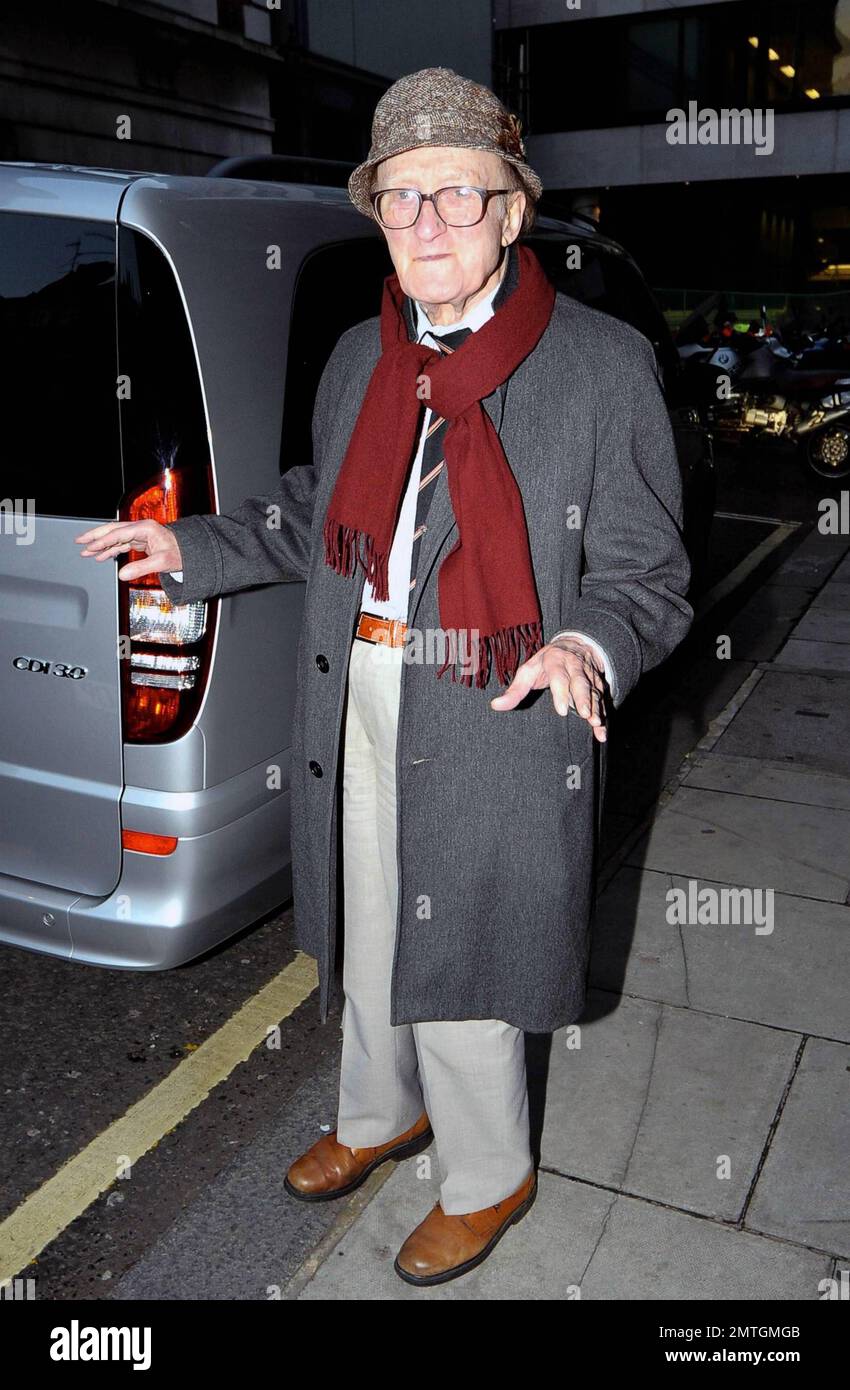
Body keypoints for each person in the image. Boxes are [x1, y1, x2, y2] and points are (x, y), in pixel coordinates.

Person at [76, 67, 692, 1287]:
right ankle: (376, 1116)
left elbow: (649, 574)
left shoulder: (601, 367)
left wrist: (588, 643)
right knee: (364, 925)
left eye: (455, 198)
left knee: (465, 958)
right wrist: (187, 545)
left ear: (513, 212)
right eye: (398, 199)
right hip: (355, 693)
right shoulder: (362, 354)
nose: (423, 227)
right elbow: (319, 520)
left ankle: (486, 1173)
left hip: (501, 705)